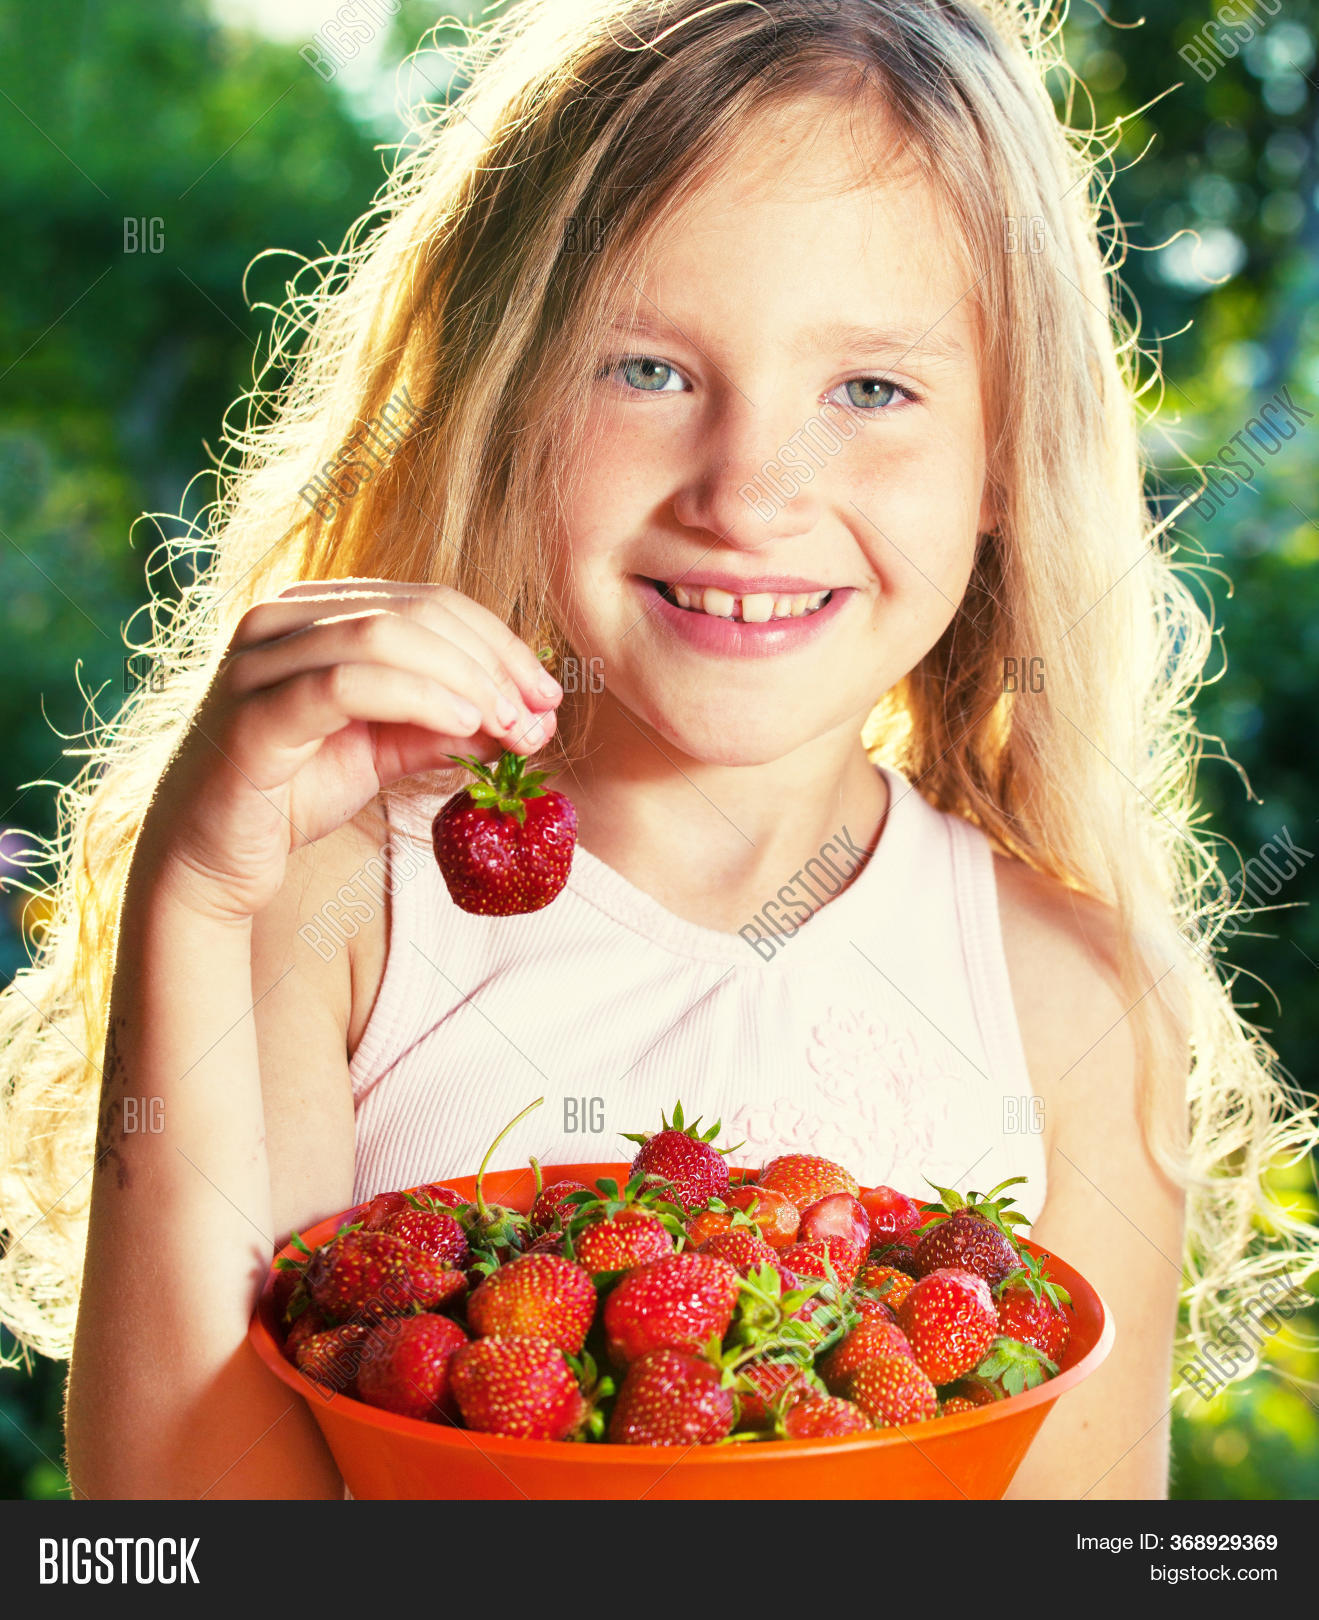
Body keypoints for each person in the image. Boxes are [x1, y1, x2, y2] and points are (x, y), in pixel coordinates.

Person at [1, 0, 1312, 1499]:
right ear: (508, 398)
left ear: (1008, 451)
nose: (750, 491)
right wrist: (196, 893)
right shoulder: (340, 904)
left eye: (870, 390)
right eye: (649, 370)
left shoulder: (1075, 1000)